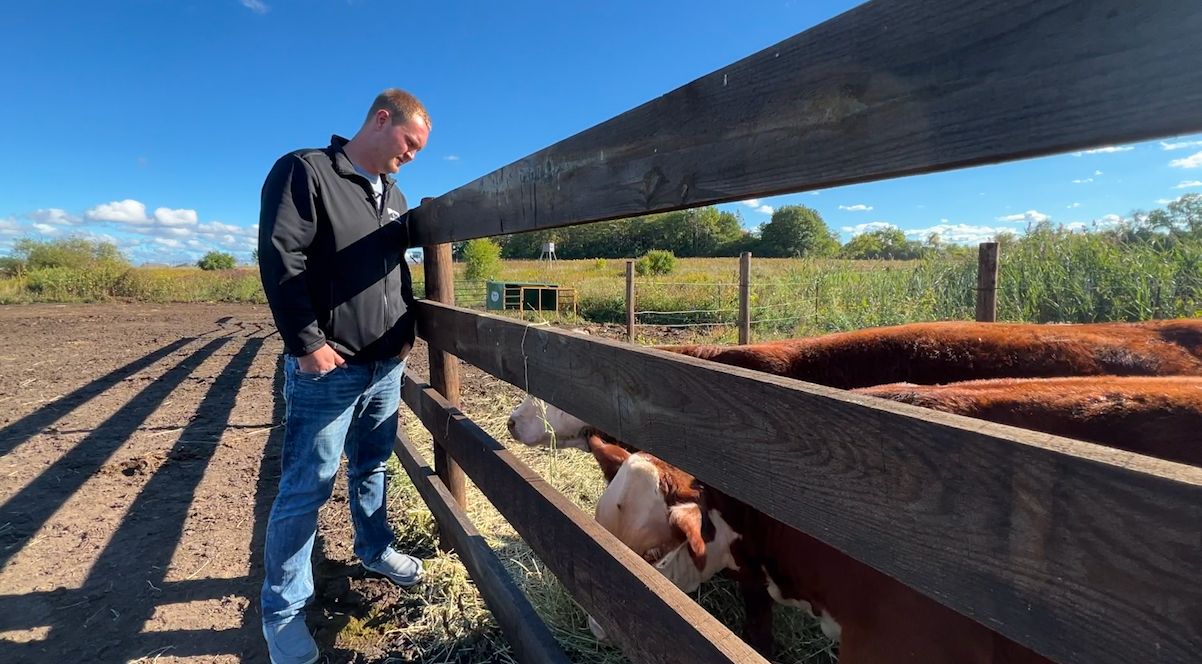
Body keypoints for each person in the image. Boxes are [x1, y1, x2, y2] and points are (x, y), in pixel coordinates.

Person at [256, 88, 431, 664]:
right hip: (329, 366)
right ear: (382, 120)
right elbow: (282, 256)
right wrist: (306, 344)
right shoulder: (307, 171)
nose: (410, 156)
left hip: (385, 362)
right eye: (409, 143)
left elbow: (393, 272)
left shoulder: (395, 194)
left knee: (373, 462)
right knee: (307, 485)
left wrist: (404, 335)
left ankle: (375, 548)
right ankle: (282, 614)